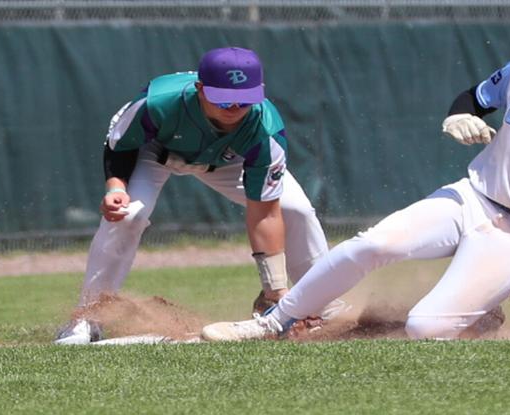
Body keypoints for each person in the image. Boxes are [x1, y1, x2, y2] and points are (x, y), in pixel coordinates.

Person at [201, 2, 510, 342]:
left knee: (426, 328)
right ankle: (272, 321)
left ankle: (482, 310)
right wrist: (459, 115)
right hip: (471, 196)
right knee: (372, 243)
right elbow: (474, 98)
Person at [57, 46, 335, 344]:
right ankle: (88, 318)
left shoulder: (265, 128)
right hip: (157, 152)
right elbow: (121, 146)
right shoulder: (157, 103)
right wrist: (115, 187)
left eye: (244, 98)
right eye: (224, 98)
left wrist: (275, 288)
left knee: (297, 210)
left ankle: (323, 307)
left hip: (229, 160)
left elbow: (264, 211)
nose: (234, 106)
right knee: (128, 216)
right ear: (201, 89)